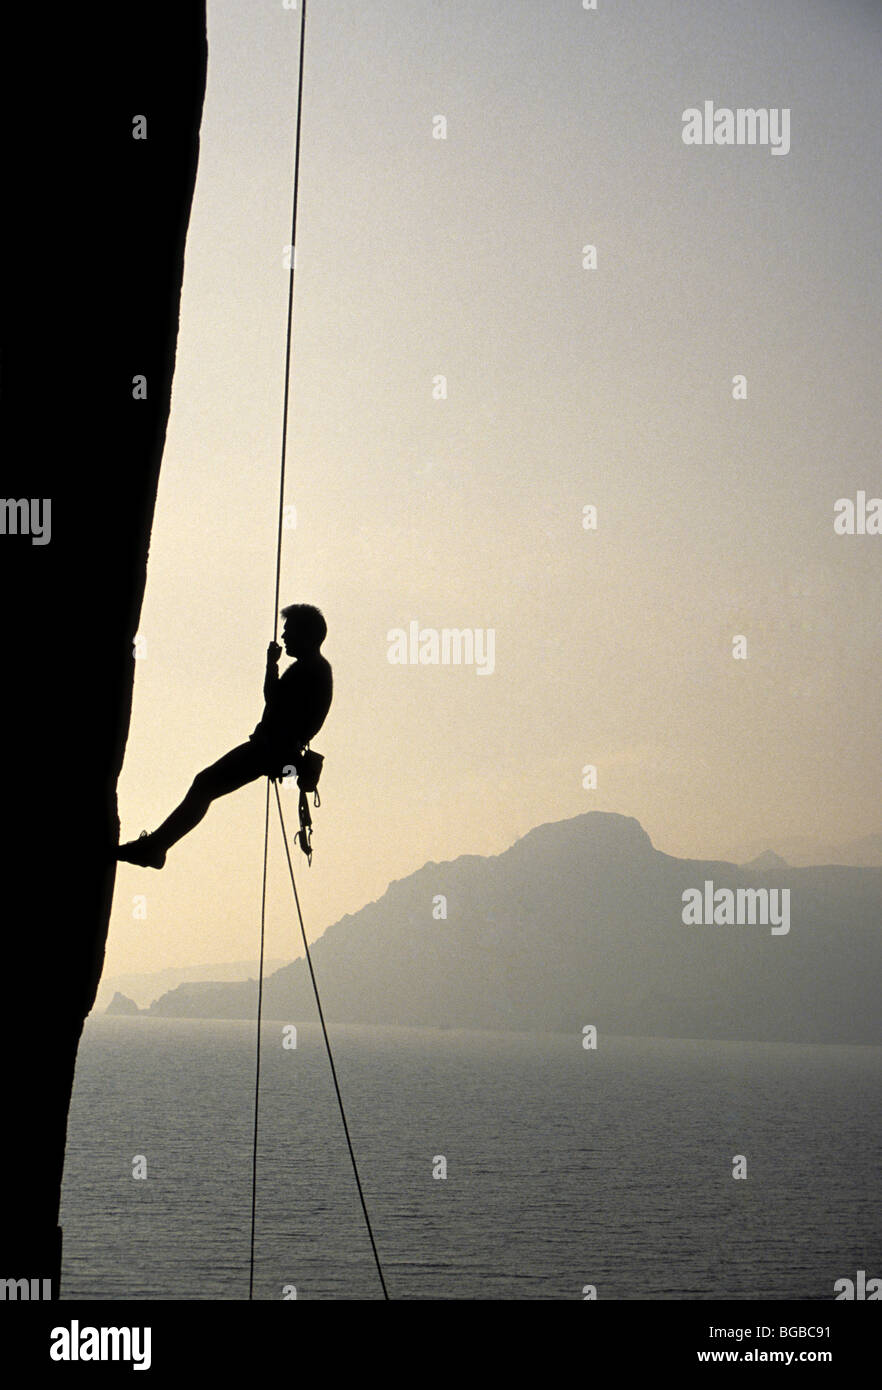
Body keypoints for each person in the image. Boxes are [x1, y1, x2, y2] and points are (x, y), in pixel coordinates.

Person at [117, 604, 332, 869]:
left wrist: (270, 666)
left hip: (270, 750)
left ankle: (156, 847)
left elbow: (273, 700)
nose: (284, 637)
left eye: (289, 632)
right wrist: (271, 666)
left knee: (205, 784)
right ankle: (156, 846)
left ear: (306, 635)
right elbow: (277, 702)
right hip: (276, 750)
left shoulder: (308, 670)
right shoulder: (314, 669)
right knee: (205, 785)